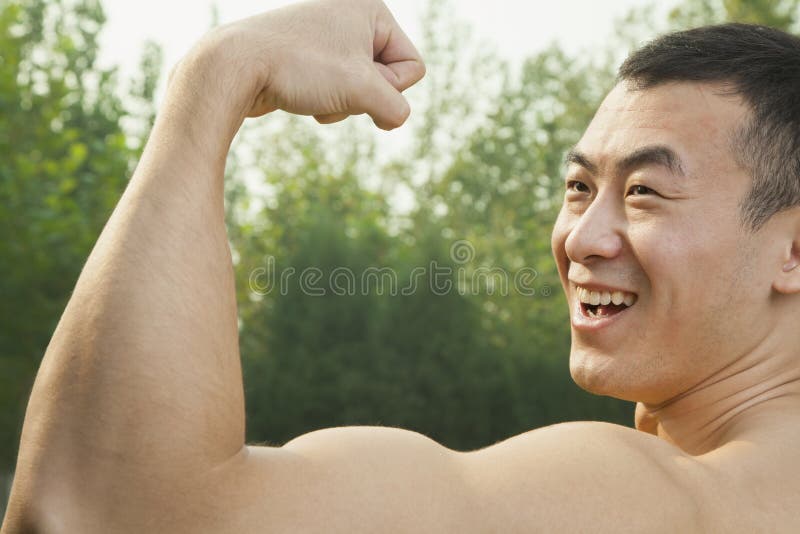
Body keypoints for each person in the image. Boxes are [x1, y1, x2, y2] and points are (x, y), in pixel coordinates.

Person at [3, 0, 800, 531]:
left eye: (647, 192)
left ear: (793, 249)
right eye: (579, 187)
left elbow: (109, 510)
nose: (583, 237)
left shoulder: (665, 502)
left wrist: (215, 77)